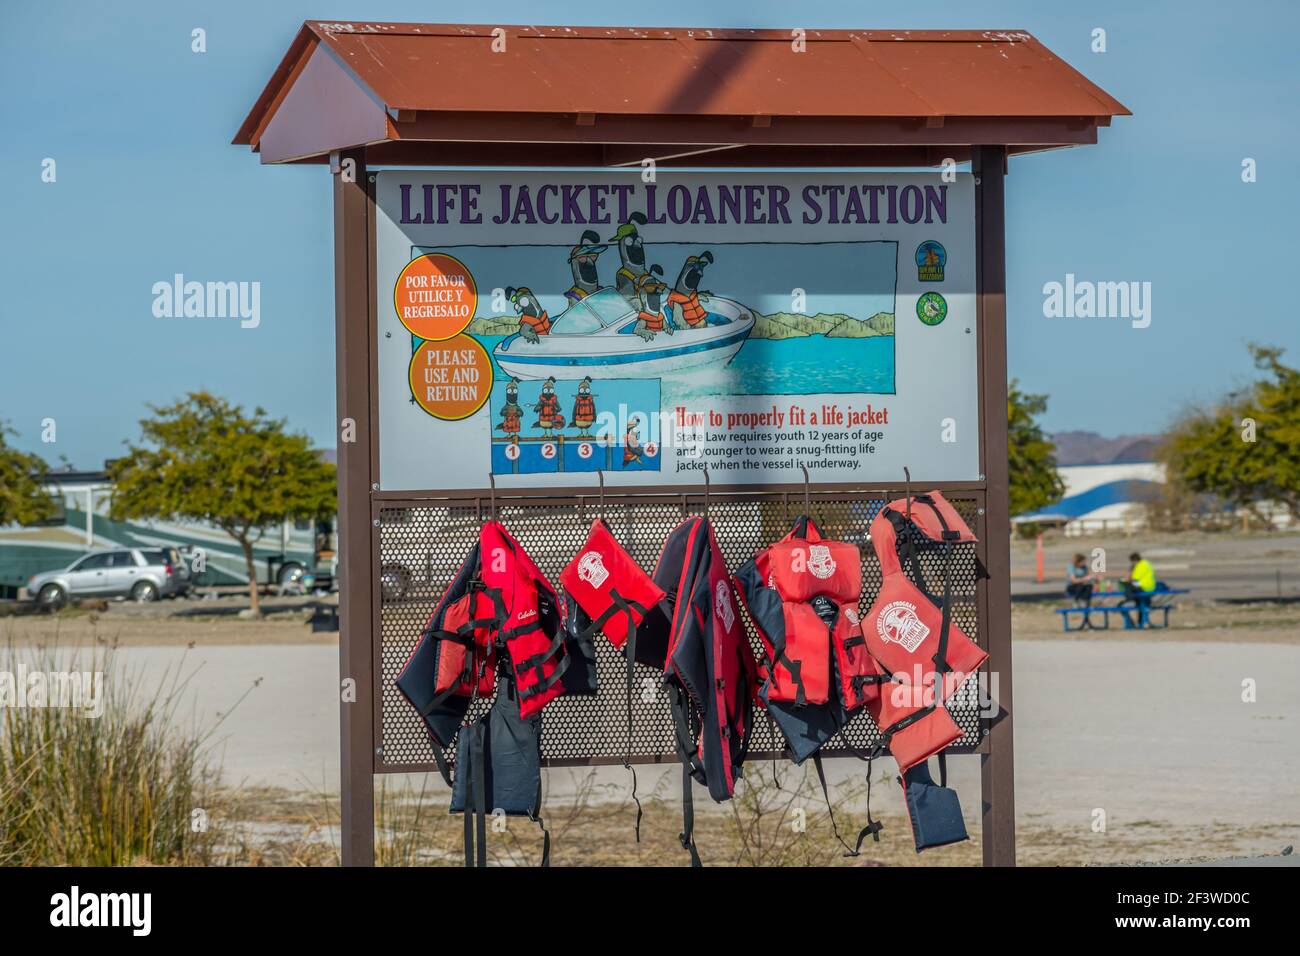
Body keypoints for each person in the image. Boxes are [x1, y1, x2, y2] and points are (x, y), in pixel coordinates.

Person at [1122, 551, 1157, 628]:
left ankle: (1130, 601)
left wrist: (1131, 570)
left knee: (1128, 586)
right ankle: (1141, 621)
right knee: (1140, 601)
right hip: (1151, 586)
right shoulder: (1147, 563)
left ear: (1134, 560)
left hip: (1144, 586)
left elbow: (1134, 579)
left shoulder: (1140, 565)